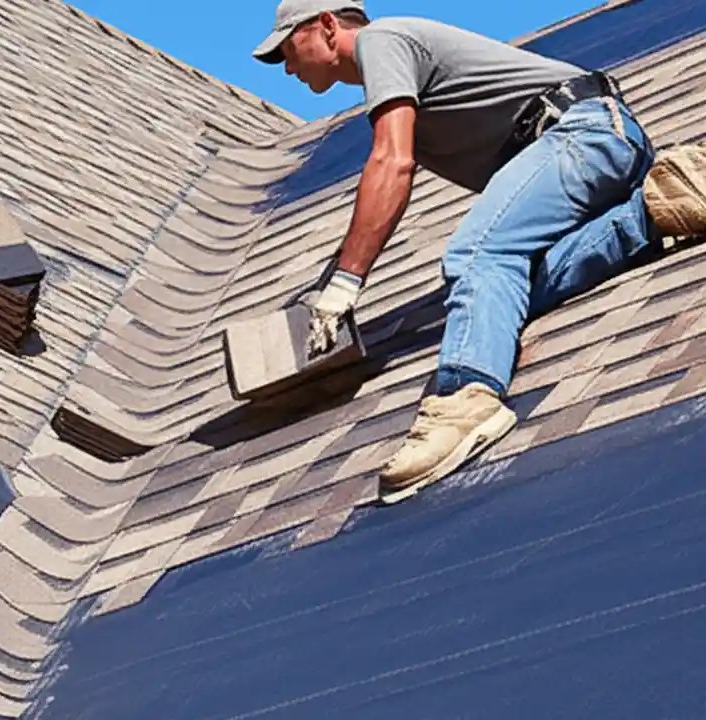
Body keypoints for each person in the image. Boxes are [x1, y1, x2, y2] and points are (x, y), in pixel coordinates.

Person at [251, 0, 705, 502]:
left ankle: (467, 396)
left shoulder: (383, 42)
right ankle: (655, 210)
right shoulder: (399, 89)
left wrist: (343, 286)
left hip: (583, 133)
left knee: (473, 260)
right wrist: (328, 289)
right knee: (499, 298)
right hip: (595, 148)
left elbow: (391, 164)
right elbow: (386, 186)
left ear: (328, 25)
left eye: (287, 49)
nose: (287, 67)